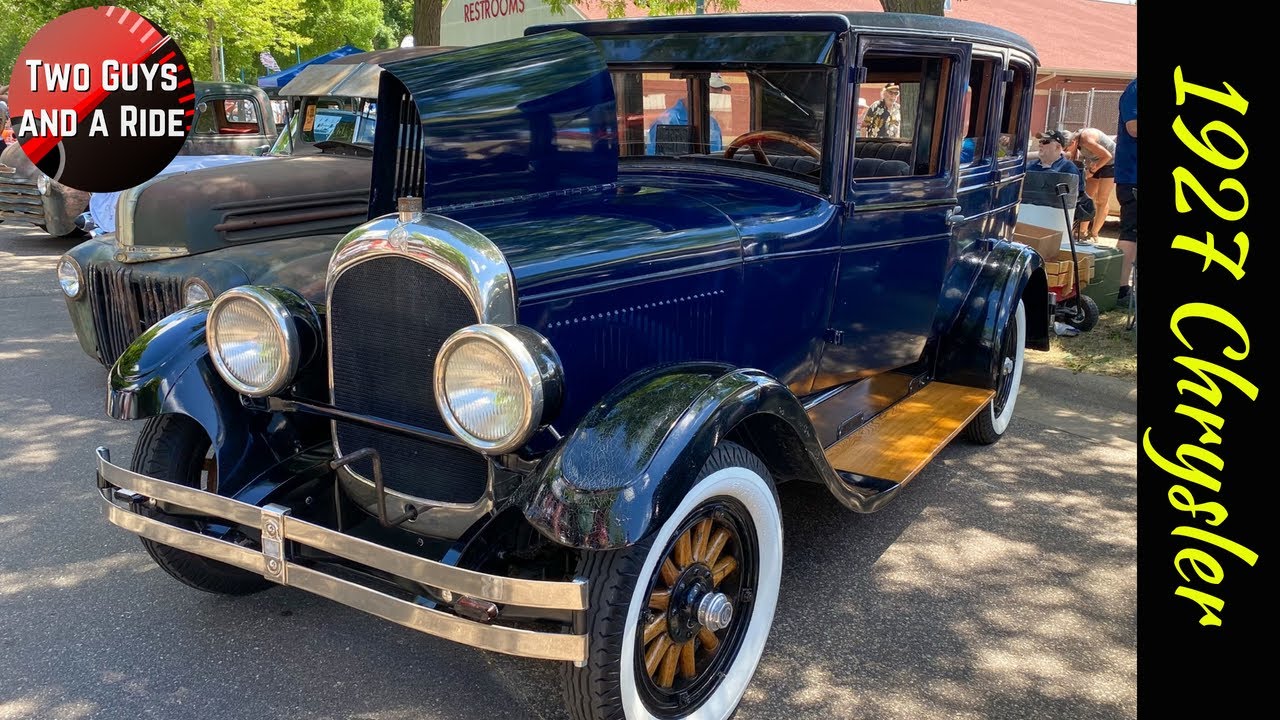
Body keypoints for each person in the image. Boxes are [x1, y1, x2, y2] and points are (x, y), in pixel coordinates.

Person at [646, 73, 729, 155]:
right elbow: (657, 160)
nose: (715, 101)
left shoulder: (713, 123)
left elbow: (719, 154)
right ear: (695, 91)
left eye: (718, 96)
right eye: (712, 94)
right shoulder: (666, 121)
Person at [1066, 126, 1116, 242]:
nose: (1065, 151)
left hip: (1111, 161)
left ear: (1073, 142)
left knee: (1101, 199)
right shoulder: (1074, 141)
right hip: (1096, 162)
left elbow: (1107, 155)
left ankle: (1094, 233)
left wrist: (1092, 171)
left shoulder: (1086, 139)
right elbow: (1073, 158)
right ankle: (1082, 232)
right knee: (1087, 196)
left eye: (1065, 148)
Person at [1114, 78, 1137, 305]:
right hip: (1132, 175)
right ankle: (1120, 288)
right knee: (1131, 231)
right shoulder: (1135, 88)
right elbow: (1133, 127)